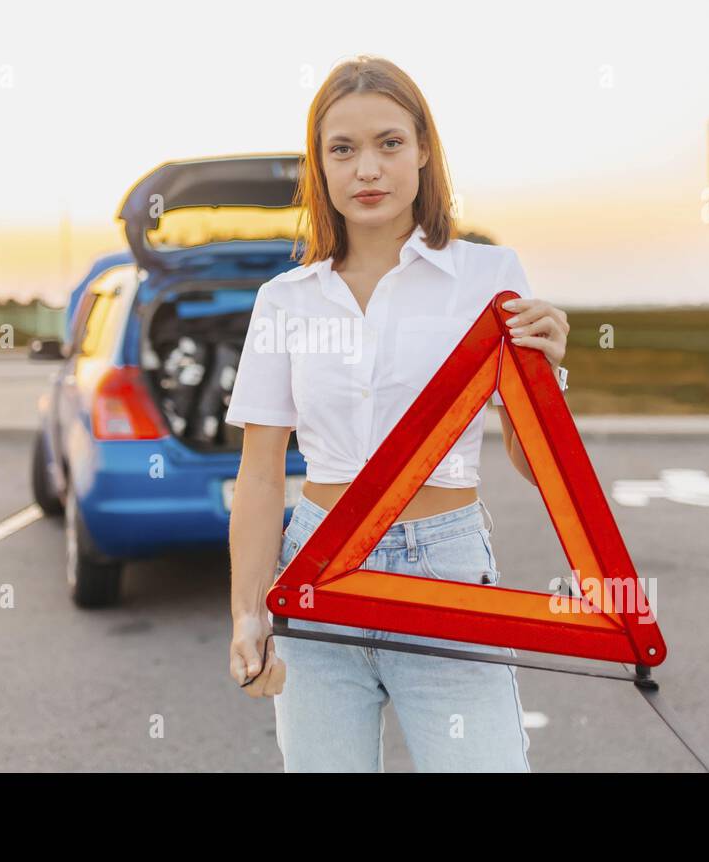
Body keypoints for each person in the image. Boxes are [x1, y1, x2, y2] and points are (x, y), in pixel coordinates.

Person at [225, 55, 570, 772]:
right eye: (342, 150)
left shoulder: (489, 276)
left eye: (389, 143)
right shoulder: (284, 300)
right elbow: (259, 477)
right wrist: (248, 612)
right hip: (317, 572)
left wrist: (550, 380)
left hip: (444, 565)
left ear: (423, 152)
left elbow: (539, 467)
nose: (368, 169)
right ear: (320, 168)